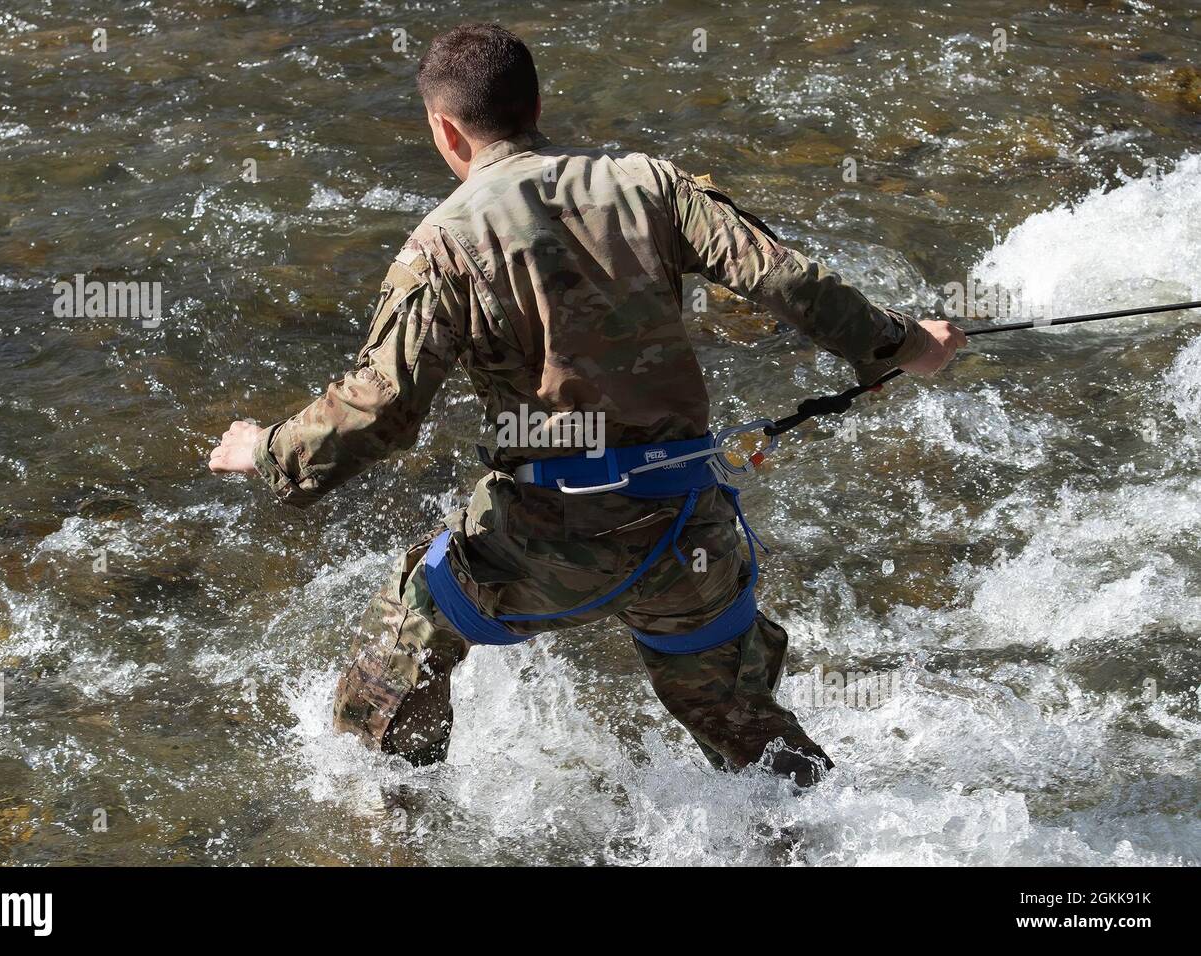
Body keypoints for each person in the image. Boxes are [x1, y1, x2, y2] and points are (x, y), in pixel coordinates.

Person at [209, 23, 964, 786]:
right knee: (754, 744)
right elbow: (788, 282)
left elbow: (384, 407)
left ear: (444, 130)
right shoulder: (653, 184)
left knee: (401, 644)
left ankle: (391, 820)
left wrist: (268, 448)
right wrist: (905, 344)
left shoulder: (440, 246)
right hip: (684, 537)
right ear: (538, 103)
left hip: (543, 548)